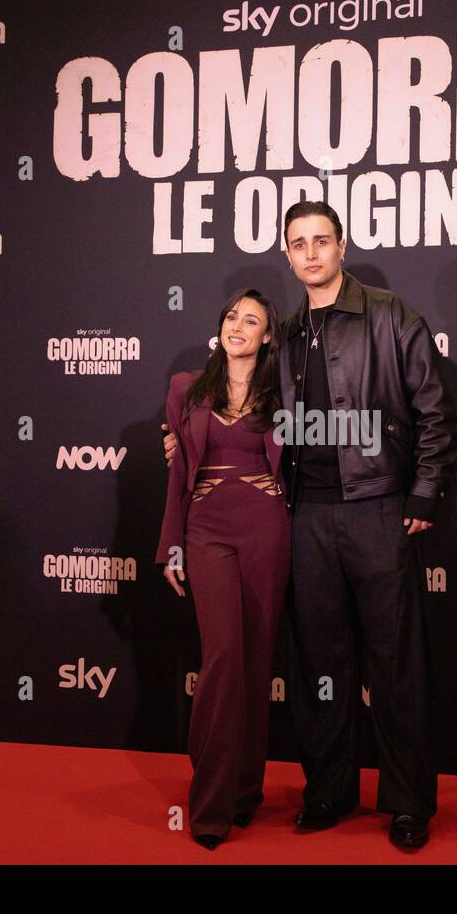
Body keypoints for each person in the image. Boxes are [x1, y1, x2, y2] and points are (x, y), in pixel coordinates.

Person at [164, 201, 457, 849]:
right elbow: (239, 409)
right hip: (305, 515)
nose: (311, 253)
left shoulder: (389, 313)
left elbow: (435, 412)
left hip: (381, 507)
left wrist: (423, 496)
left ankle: (407, 803)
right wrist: (182, 440)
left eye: (321, 240)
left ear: (341, 246)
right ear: (289, 255)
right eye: (298, 244)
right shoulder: (286, 334)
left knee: (396, 664)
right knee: (318, 663)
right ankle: (329, 790)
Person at [155, 288, 290, 851]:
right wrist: (169, 546)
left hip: (267, 530)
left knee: (257, 661)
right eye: (232, 315)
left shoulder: (285, 393)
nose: (238, 325)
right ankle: (210, 805)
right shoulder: (186, 389)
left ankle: (244, 792)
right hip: (206, 531)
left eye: (251, 320)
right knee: (224, 657)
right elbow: (179, 470)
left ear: (267, 337)